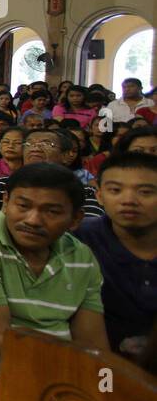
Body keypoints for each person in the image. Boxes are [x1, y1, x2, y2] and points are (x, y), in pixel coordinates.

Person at [0, 163, 108, 360]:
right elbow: (0, 338)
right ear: (5, 201)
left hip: (65, 369)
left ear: (75, 219)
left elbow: (93, 345)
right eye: (23, 206)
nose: (33, 220)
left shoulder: (81, 256)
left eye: (52, 212)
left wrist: (101, 386)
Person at [74, 151, 157, 356]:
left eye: (145, 192)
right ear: (99, 196)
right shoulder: (77, 239)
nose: (128, 200)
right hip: (97, 364)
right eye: (115, 190)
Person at [0, 128, 103, 217]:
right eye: (29, 144)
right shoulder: (4, 184)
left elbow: (88, 230)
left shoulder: (85, 192)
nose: (35, 148)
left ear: (65, 156)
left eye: (46, 144)